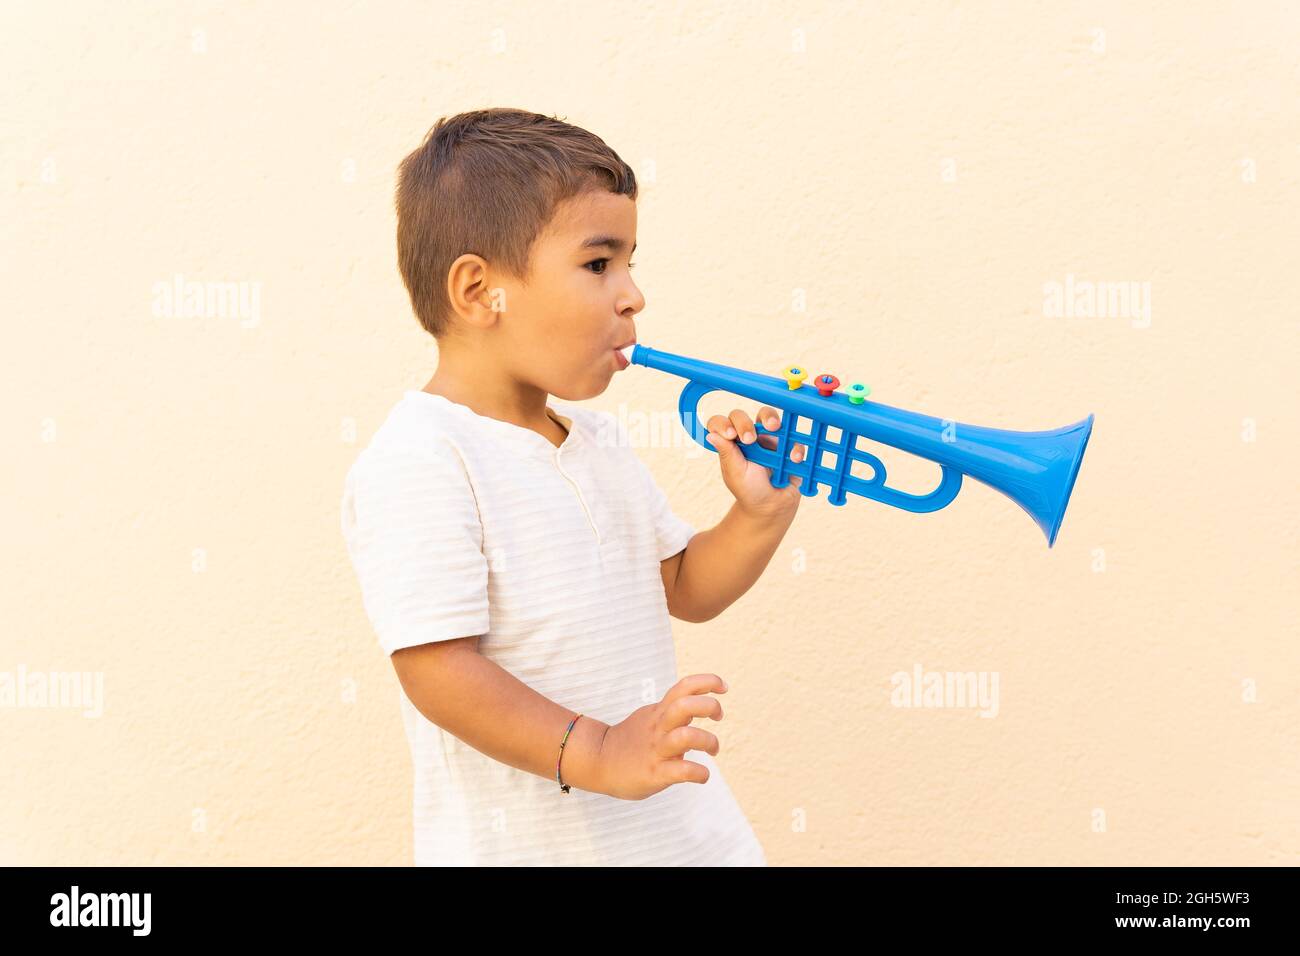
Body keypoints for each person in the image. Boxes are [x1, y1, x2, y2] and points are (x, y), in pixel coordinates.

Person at [341, 108, 806, 865]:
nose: (633, 295)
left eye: (630, 263)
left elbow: (684, 586)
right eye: (599, 264)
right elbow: (436, 668)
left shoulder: (599, 443)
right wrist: (597, 751)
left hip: (682, 840)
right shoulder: (423, 459)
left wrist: (757, 515)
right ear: (478, 290)